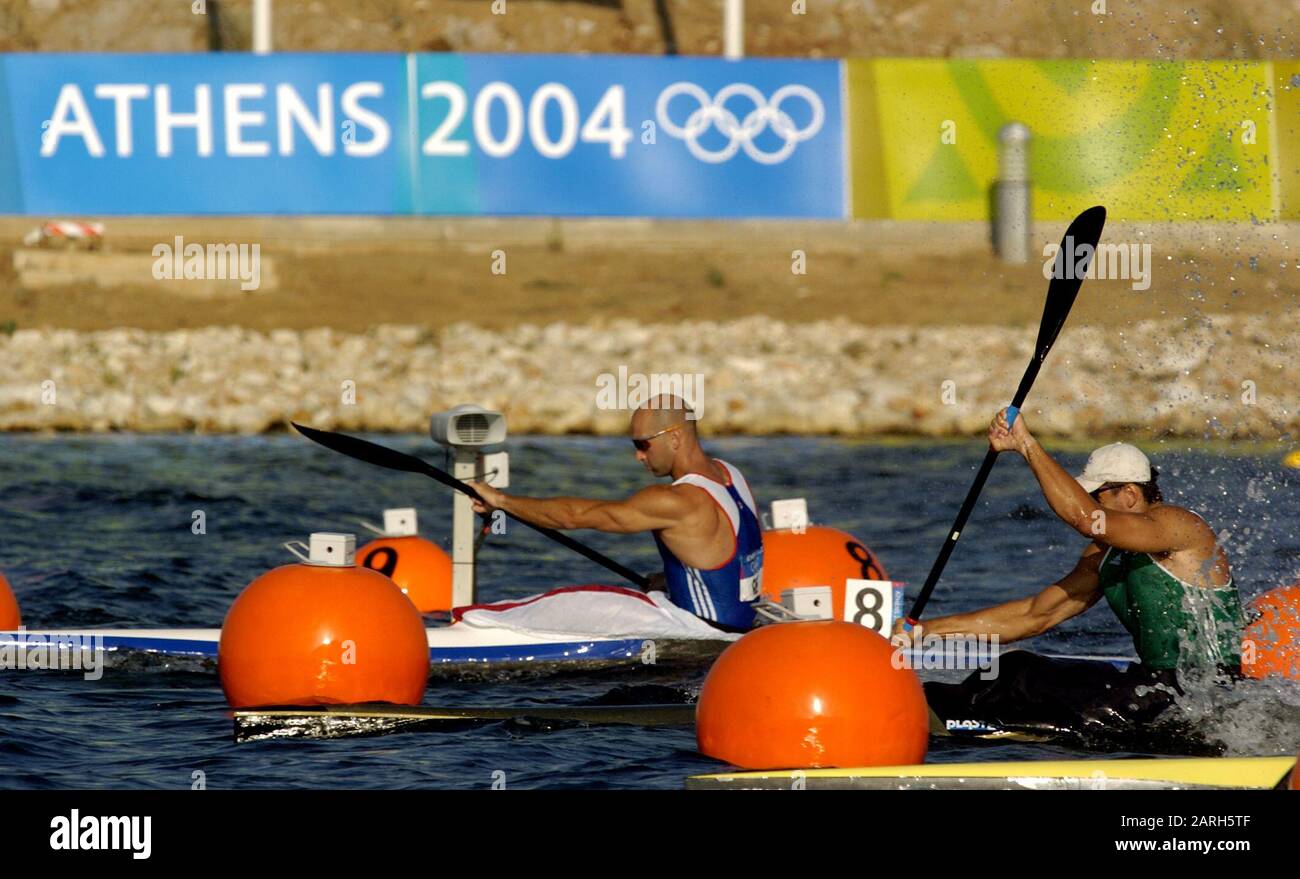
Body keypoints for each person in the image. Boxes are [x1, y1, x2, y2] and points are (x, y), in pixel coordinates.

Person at [896, 407, 1245, 743]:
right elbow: (1036, 615)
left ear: (1129, 493)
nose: (1087, 500)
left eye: (1095, 494)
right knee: (1014, 672)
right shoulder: (1105, 554)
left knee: (1082, 714)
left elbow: (1084, 517)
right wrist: (927, 630)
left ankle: (991, 723)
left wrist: (1026, 444)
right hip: (1149, 684)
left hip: (1203, 691)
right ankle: (920, 707)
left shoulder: (1178, 525)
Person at [467, 395, 763, 631]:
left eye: (642, 445)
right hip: (742, 627)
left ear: (674, 438)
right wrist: (673, 580)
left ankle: (469, 624)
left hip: (702, 633)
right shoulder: (730, 474)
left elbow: (575, 516)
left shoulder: (678, 500)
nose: (638, 456)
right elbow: (728, 559)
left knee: (574, 602)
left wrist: (501, 501)